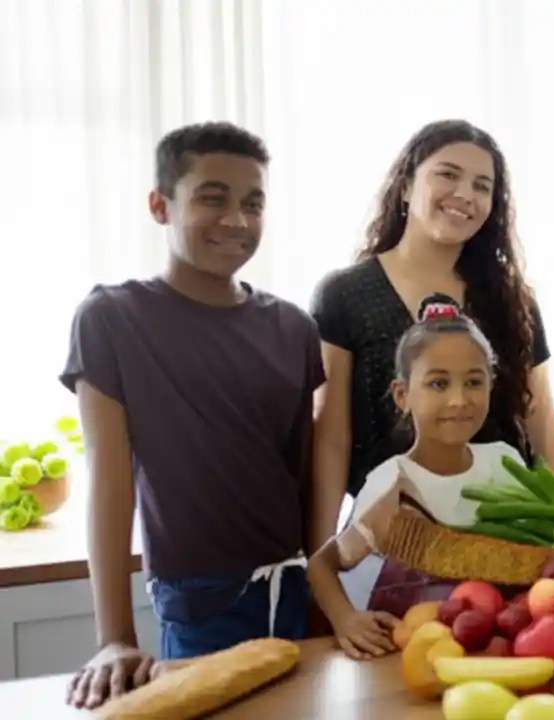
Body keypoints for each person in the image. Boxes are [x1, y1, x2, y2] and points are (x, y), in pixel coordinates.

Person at [61, 123, 325, 709]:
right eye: (213, 198)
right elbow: (109, 483)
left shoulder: (293, 328)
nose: (237, 220)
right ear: (161, 205)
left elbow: (304, 480)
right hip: (199, 601)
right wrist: (114, 640)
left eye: (253, 204)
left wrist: (327, 594)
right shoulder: (111, 318)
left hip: (300, 589)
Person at [308, 295, 523, 660]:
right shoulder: (393, 484)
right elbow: (321, 565)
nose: (459, 400)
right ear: (402, 395)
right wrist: (347, 621)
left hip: (488, 654)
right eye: (438, 384)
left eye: (474, 382)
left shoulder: (505, 464)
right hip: (401, 659)